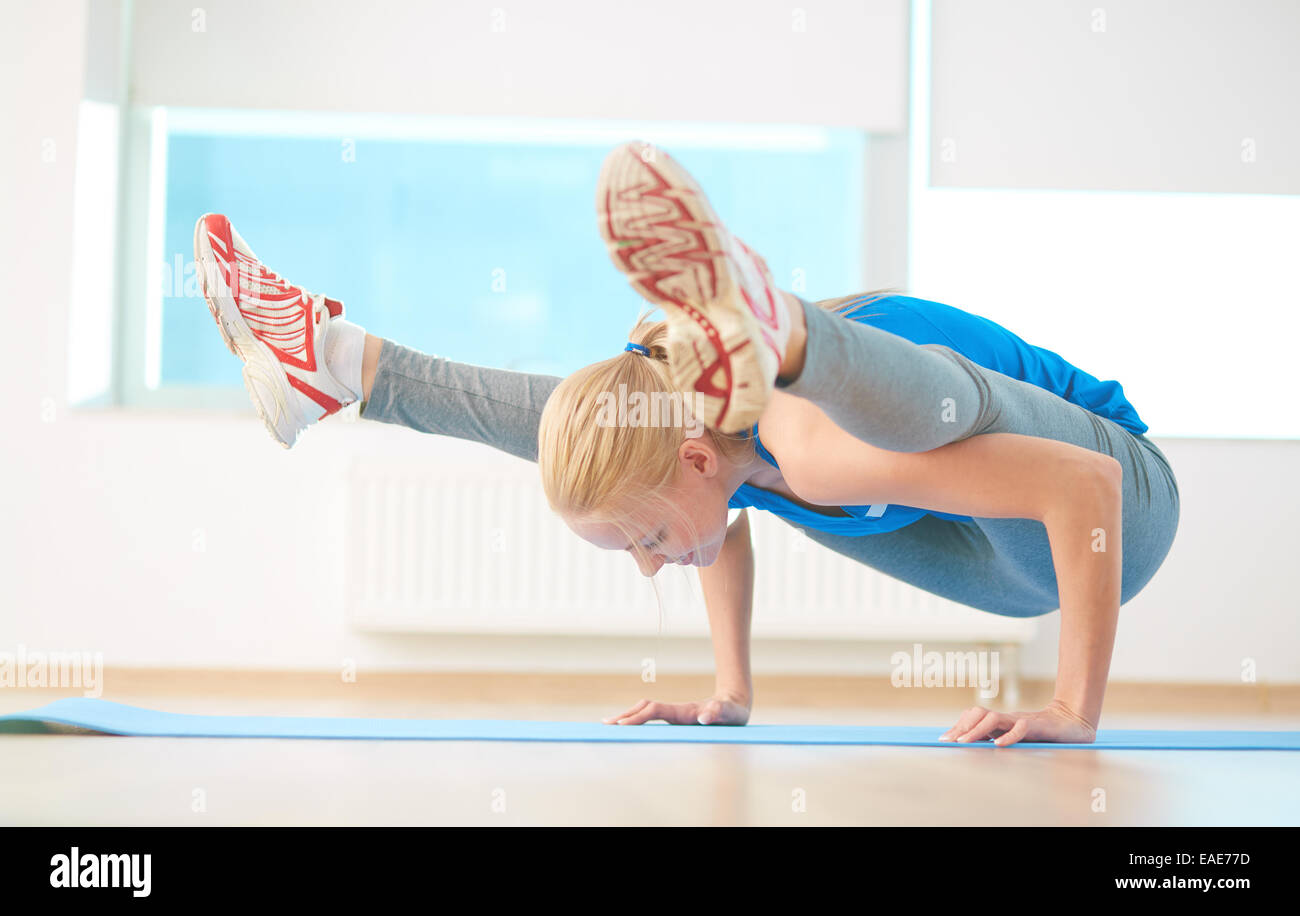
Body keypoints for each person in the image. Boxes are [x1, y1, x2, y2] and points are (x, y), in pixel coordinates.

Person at [192, 142, 1179, 746]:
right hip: (996, 552)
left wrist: (1072, 705)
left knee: (806, 450)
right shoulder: (704, 438)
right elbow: (716, 515)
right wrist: (729, 691)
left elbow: (1084, 485)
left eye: (641, 543)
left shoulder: (797, 442)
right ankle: (338, 362)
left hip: (1118, 504)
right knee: (617, 428)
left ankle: (788, 330)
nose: (649, 568)